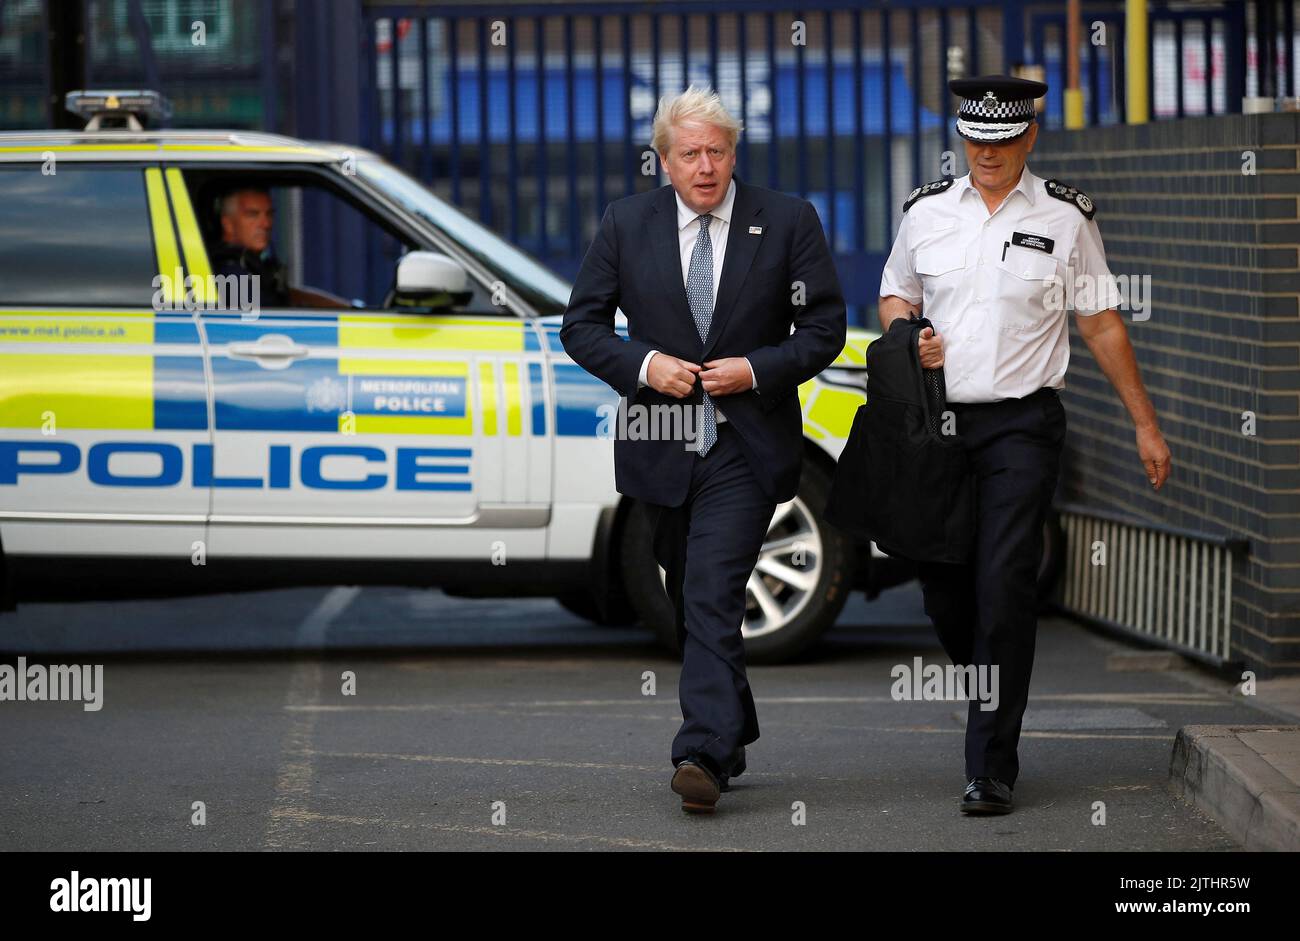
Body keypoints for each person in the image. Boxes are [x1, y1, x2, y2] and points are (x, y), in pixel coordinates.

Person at [878, 75, 1173, 814]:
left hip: (1023, 426)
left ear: (1028, 138)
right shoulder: (925, 213)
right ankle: (992, 680)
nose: (987, 154)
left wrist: (1145, 422)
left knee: (1004, 582)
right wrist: (909, 337)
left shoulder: (1065, 218)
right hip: (940, 427)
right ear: (962, 137)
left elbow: (1101, 322)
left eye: (1002, 142)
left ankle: (990, 764)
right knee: (944, 587)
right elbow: (895, 296)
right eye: (976, 140)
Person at [561, 86, 846, 813]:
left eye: (717, 151)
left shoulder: (787, 221)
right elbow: (582, 325)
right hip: (663, 443)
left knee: (711, 589)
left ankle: (702, 753)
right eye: (689, 153)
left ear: (733, 154)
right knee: (691, 591)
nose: (705, 166)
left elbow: (824, 330)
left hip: (746, 443)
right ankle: (734, 721)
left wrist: (756, 368)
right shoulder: (626, 224)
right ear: (662, 161)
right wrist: (643, 365)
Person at [210, 187, 348, 308]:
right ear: (227, 224)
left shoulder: (253, 266)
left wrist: (347, 307)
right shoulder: (231, 276)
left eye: (269, 214)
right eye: (253, 214)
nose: (266, 224)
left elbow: (289, 296)